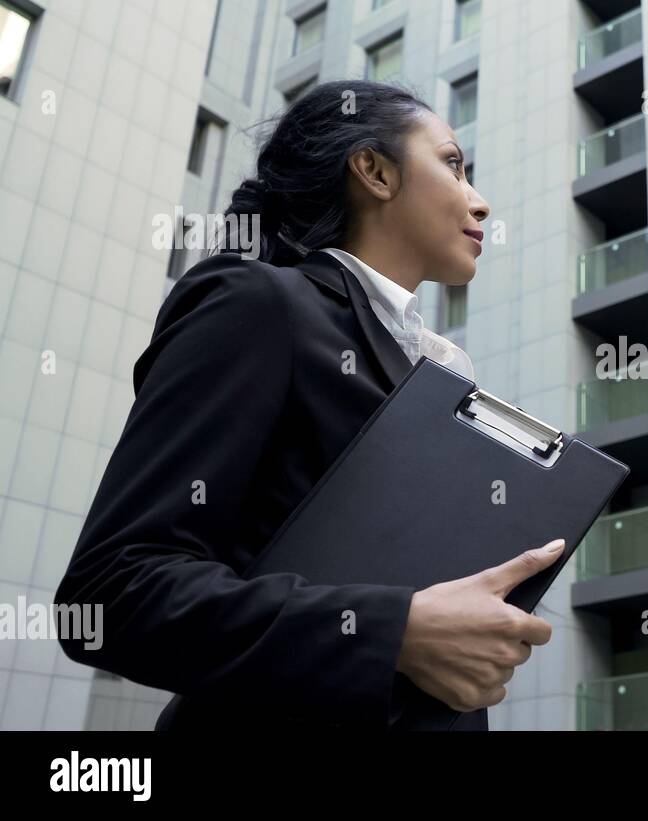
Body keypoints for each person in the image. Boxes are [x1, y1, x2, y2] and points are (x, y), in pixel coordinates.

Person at [54, 81, 557, 730]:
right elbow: (110, 594)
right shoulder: (260, 304)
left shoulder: (439, 371)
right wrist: (395, 630)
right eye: (455, 165)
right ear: (373, 170)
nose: (480, 202)